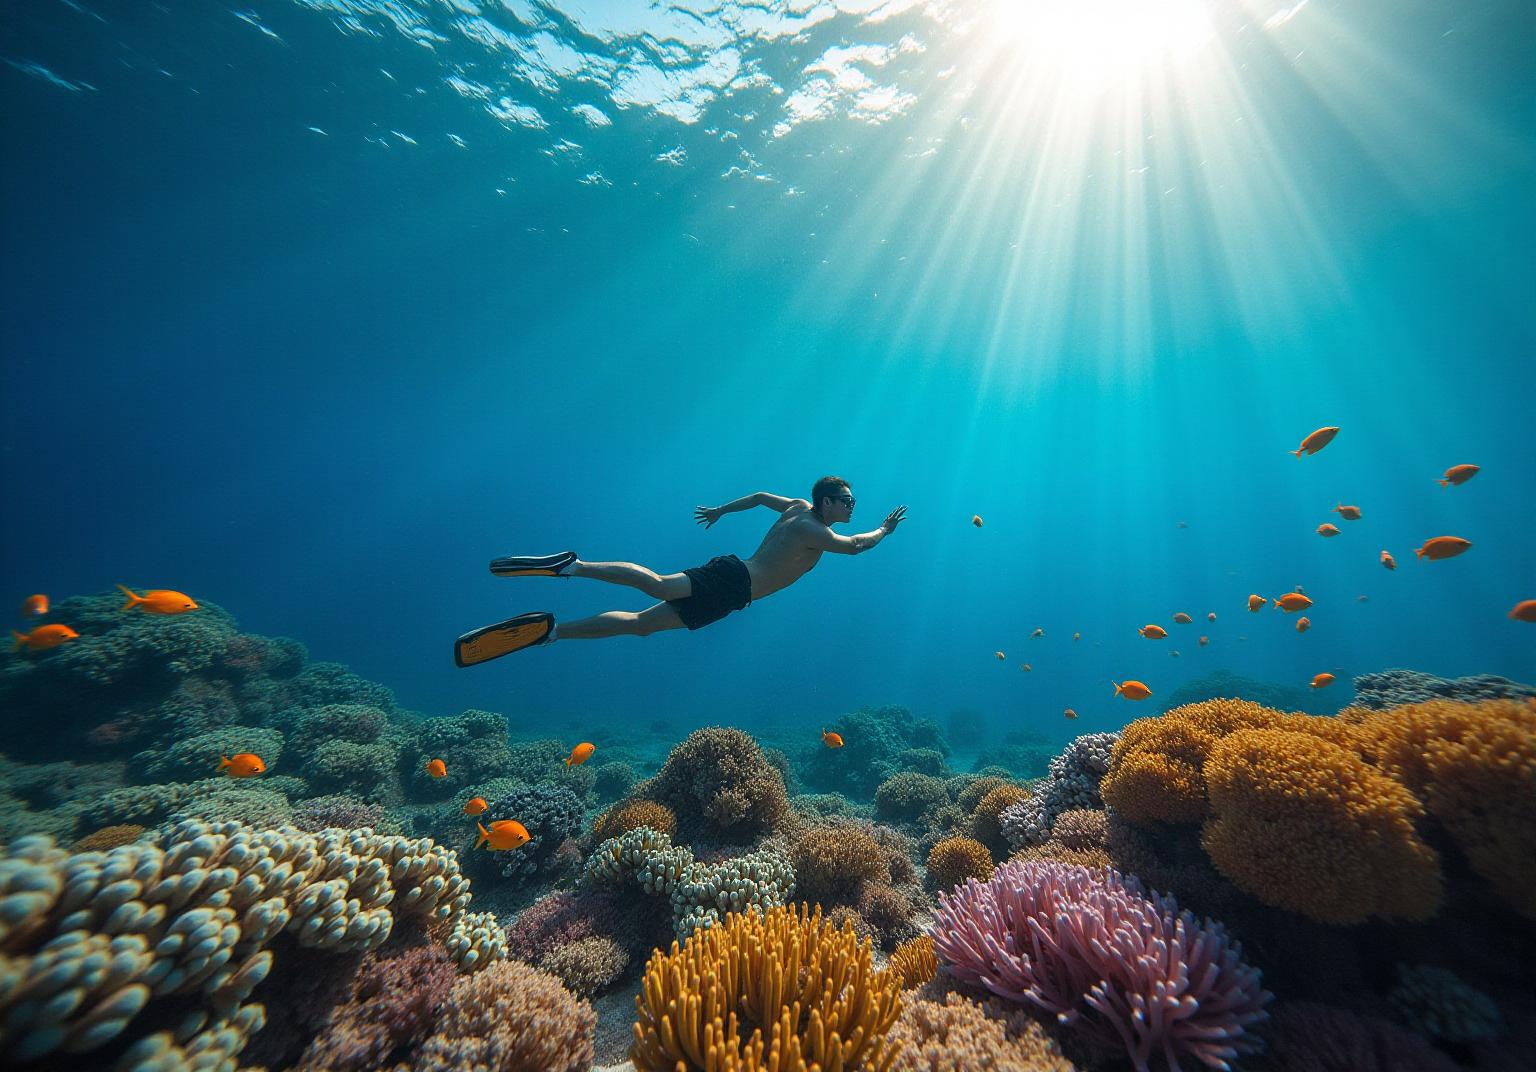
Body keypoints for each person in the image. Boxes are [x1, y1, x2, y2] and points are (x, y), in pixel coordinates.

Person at [453, 476, 906, 666]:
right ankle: (573, 566)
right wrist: (884, 529)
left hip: (732, 587)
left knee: (640, 626)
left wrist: (720, 512)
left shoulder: (798, 508)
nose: (852, 506)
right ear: (828, 501)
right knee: (655, 584)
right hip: (733, 582)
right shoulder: (815, 529)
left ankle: (549, 631)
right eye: (847, 501)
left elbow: (760, 496)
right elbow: (855, 548)